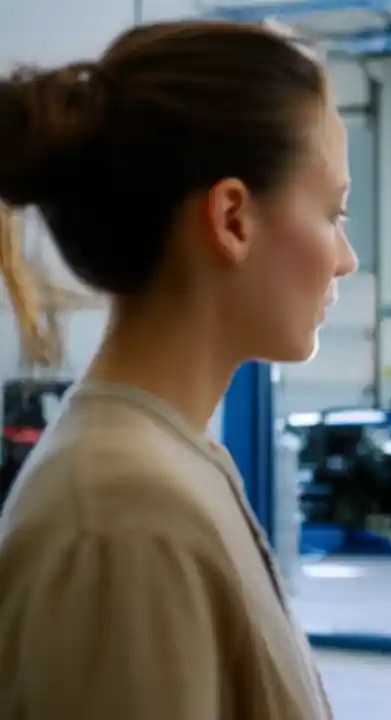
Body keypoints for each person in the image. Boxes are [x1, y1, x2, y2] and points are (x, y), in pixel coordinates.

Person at [0, 20, 357, 719]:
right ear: (232, 219)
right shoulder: (121, 516)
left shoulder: (171, 462)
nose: (344, 258)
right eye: (333, 212)